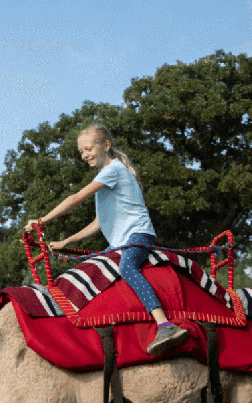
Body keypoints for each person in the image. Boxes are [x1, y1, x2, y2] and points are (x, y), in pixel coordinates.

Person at [25, 123, 188, 355]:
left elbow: (76, 198)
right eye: (81, 151)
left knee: (127, 268)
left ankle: (165, 325)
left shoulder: (113, 171)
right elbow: (98, 223)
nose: (84, 155)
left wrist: (42, 221)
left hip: (138, 234)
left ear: (106, 145)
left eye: (88, 149)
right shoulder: (106, 179)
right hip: (119, 241)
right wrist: (66, 242)